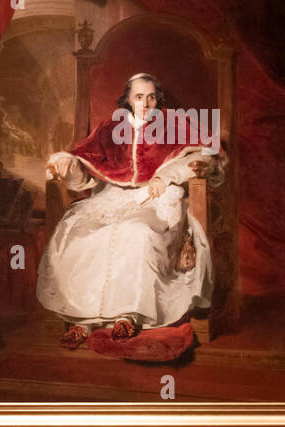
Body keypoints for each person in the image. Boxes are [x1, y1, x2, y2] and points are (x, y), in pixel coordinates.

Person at [36, 72, 224, 348]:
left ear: (158, 98)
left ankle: (129, 315)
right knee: (81, 234)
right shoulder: (110, 128)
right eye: (139, 97)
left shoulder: (176, 124)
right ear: (127, 99)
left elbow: (207, 156)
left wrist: (168, 175)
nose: (146, 104)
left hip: (157, 198)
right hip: (111, 197)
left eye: (151, 97)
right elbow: (86, 174)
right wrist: (68, 164)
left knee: (136, 233)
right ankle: (82, 320)